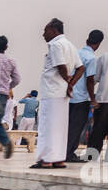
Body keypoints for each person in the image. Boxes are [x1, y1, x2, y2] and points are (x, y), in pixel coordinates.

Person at [32, 18, 84, 169]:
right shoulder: (70, 45)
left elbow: (61, 65)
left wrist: (68, 81)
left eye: (45, 31)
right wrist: (71, 84)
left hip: (52, 91)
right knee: (60, 128)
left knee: (47, 127)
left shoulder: (55, 44)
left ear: (54, 31)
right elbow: (81, 68)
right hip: (63, 94)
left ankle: (46, 160)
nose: (43, 34)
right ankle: (58, 159)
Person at [66, 30, 103, 163]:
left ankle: (64, 152)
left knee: (68, 126)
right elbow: (90, 80)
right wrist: (93, 99)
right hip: (81, 98)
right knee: (76, 128)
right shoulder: (91, 58)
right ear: (99, 44)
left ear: (87, 40)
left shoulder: (77, 53)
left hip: (69, 95)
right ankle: (69, 154)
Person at [89, 35, 108, 161]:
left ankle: (92, 155)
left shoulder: (105, 57)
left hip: (105, 97)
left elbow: (95, 77)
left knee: (99, 127)